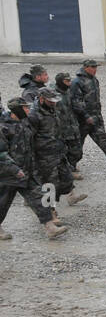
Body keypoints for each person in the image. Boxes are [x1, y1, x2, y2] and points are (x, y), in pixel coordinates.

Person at [0, 97, 68, 240]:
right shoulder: (3, 128)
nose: (28, 109)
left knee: (40, 197)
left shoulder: (25, 123)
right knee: (2, 204)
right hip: (7, 175)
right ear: (17, 109)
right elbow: (1, 154)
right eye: (25, 107)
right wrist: (14, 170)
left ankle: (50, 228)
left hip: (26, 172)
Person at [68, 59, 106, 174]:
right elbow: (75, 102)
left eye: (96, 67)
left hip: (96, 117)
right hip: (82, 120)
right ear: (86, 67)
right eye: (93, 67)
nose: (95, 70)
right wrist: (86, 116)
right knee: (77, 145)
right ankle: (70, 169)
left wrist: (98, 116)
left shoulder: (94, 80)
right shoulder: (77, 82)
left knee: (103, 140)